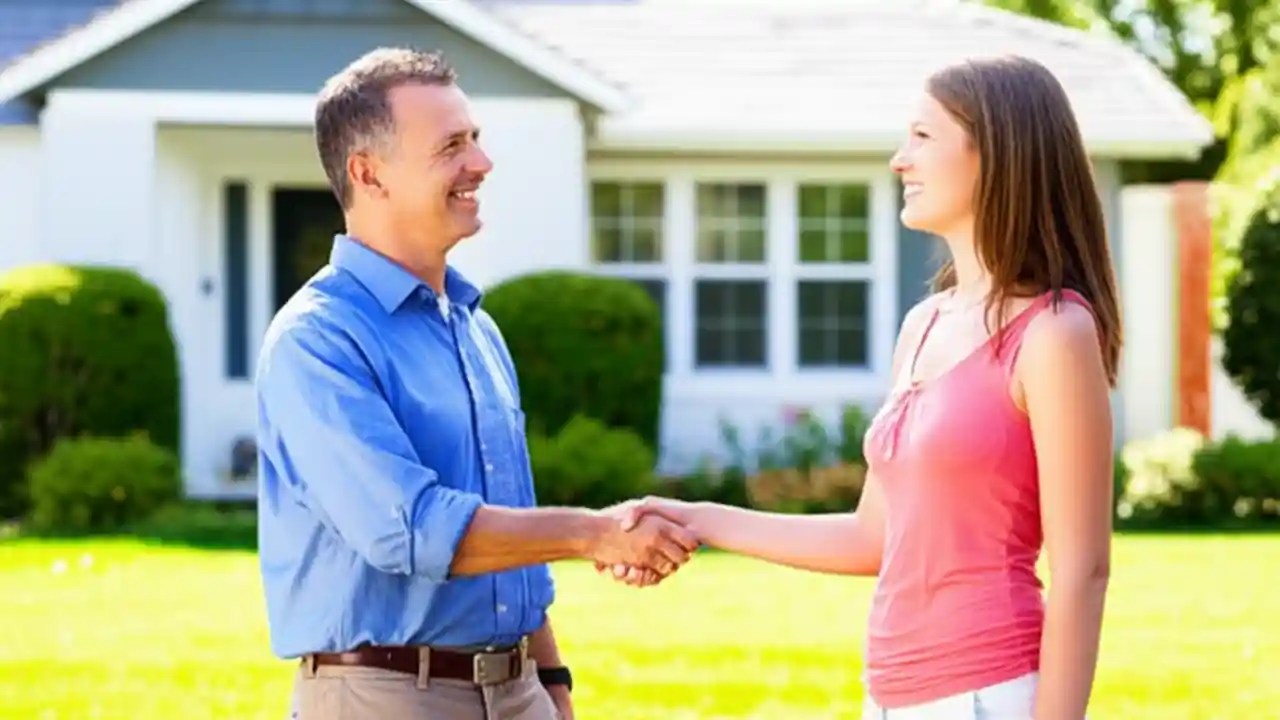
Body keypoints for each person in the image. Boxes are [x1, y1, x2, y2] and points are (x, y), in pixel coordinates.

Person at [607, 54, 1121, 720]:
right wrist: (697, 519)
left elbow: (1083, 571)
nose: (899, 160)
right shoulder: (924, 323)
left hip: (988, 694)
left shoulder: (1053, 332)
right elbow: (871, 536)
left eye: (923, 136)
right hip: (888, 695)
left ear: (994, 151)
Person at [254, 47, 698, 720]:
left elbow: (508, 533)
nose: (481, 165)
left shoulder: (474, 328)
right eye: (452, 146)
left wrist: (553, 685)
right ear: (369, 174)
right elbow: (413, 530)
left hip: (518, 691)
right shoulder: (318, 341)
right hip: (386, 698)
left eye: (477, 140)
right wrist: (593, 533)